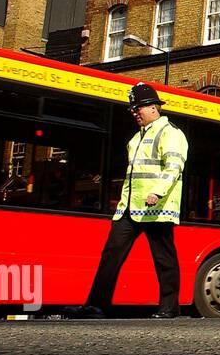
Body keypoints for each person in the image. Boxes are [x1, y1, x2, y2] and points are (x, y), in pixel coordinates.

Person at [66, 83, 188, 319]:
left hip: (157, 207)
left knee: (163, 258)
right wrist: (122, 203)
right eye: (132, 109)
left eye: (137, 108)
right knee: (111, 254)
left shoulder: (171, 133)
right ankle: (96, 306)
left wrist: (158, 192)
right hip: (130, 208)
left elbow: (174, 167)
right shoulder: (135, 139)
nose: (134, 113)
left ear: (153, 107)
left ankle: (169, 307)